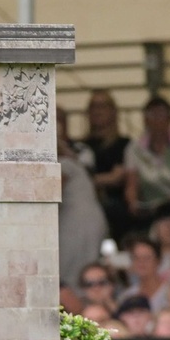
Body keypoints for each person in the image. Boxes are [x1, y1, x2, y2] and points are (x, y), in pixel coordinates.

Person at [58, 109, 109, 296]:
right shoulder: (71, 163)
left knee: (72, 273)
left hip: (78, 224)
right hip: (84, 220)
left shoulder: (64, 164)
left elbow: (49, 194)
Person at [83, 90, 133, 239]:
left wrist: (89, 181)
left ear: (113, 111)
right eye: (93, 106)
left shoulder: (124, 145)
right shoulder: (82, 145)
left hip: (114, 205)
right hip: (87, 203)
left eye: (102, 106)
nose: (97, 111)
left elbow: (117, 177)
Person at [120, 234, 165, 306]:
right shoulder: (128, 296)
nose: (141, 262)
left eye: (146, 258)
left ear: (158, 261)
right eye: (136, 258)